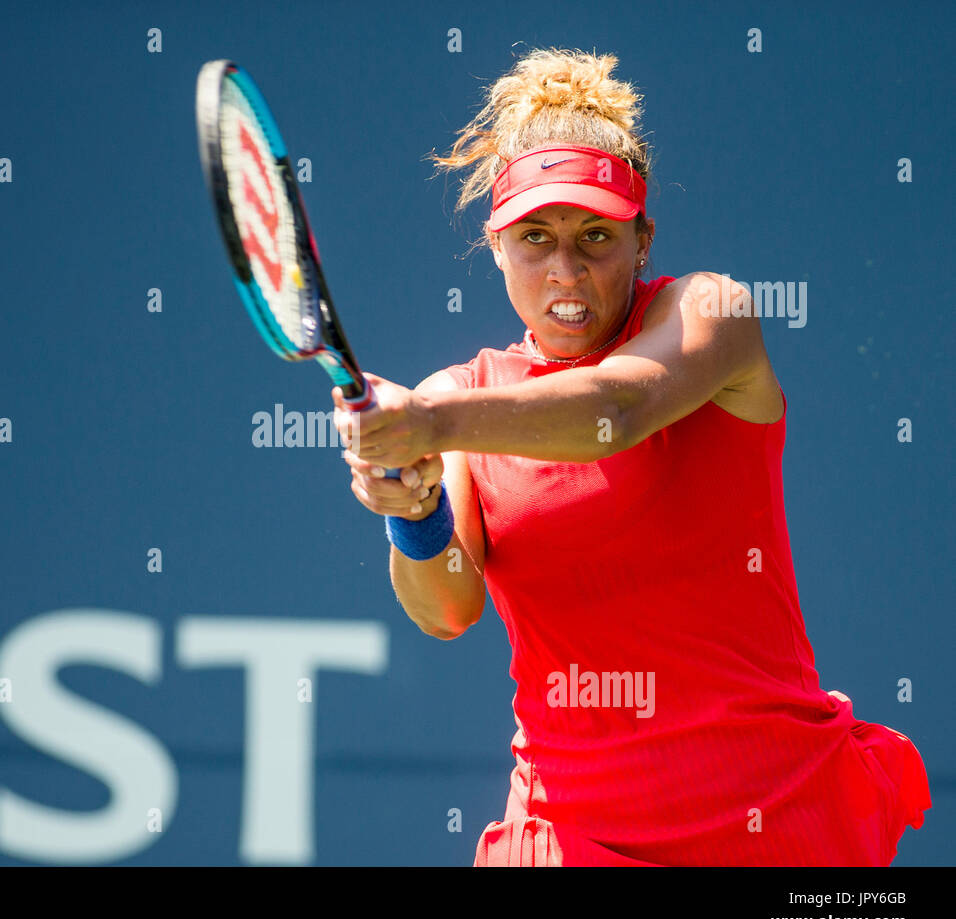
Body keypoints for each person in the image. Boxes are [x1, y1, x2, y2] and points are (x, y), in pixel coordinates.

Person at [332, 48, 930, 865]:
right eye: (535, 238)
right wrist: (416, 512)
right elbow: (446, 611)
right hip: (570, 834)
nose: (565, 269)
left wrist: (429, 423)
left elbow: (617, 410)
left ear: (643, 238)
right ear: (496, 247)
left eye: (596, 237)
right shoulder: (465, 397)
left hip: (777, 819)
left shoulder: (710, 315)